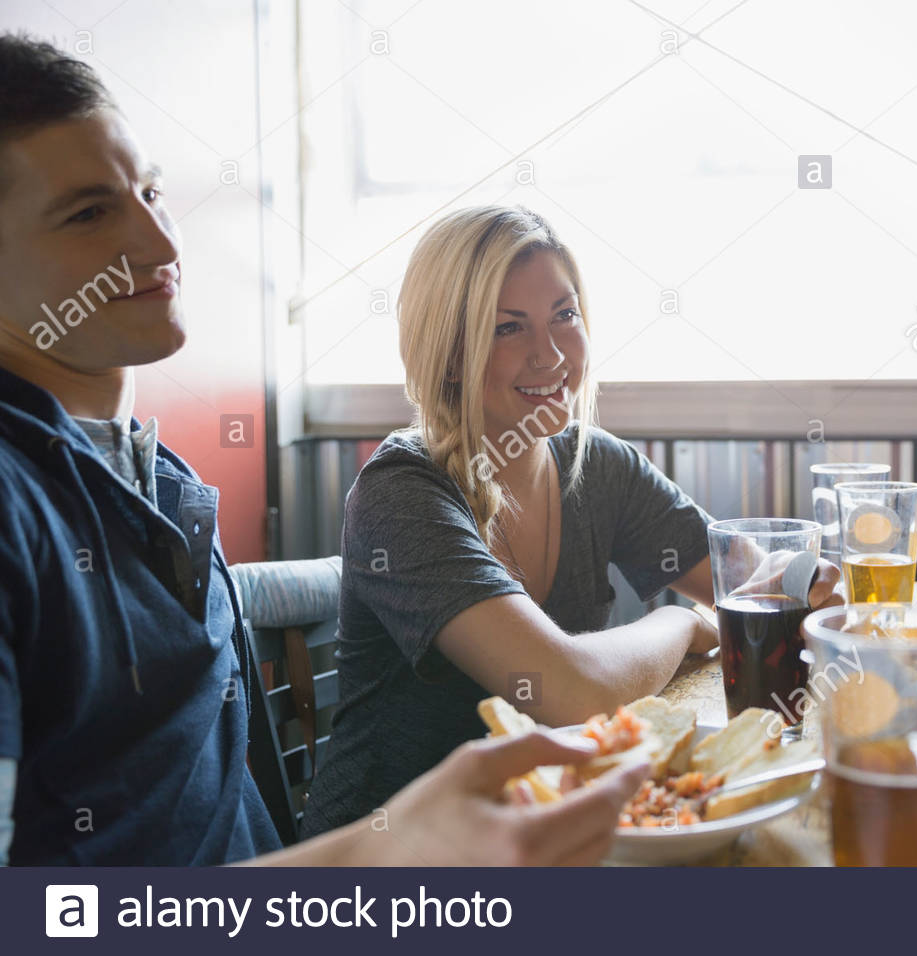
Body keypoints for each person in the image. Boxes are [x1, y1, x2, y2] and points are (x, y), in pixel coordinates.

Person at [0, 33, 644, 866]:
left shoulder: (160, 481)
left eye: (152, 192)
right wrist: (379, 858)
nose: (162, 245)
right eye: (89, 213)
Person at [300, 206, 842, 838]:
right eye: (508, 328)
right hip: (394, 867)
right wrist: (680, 620)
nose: (550, 354)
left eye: (565, 316)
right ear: (448, 354)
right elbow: (563, 692)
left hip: (542, 838)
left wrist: (808, 574)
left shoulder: (594, 462)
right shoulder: (402, 493)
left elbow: (749, 581)